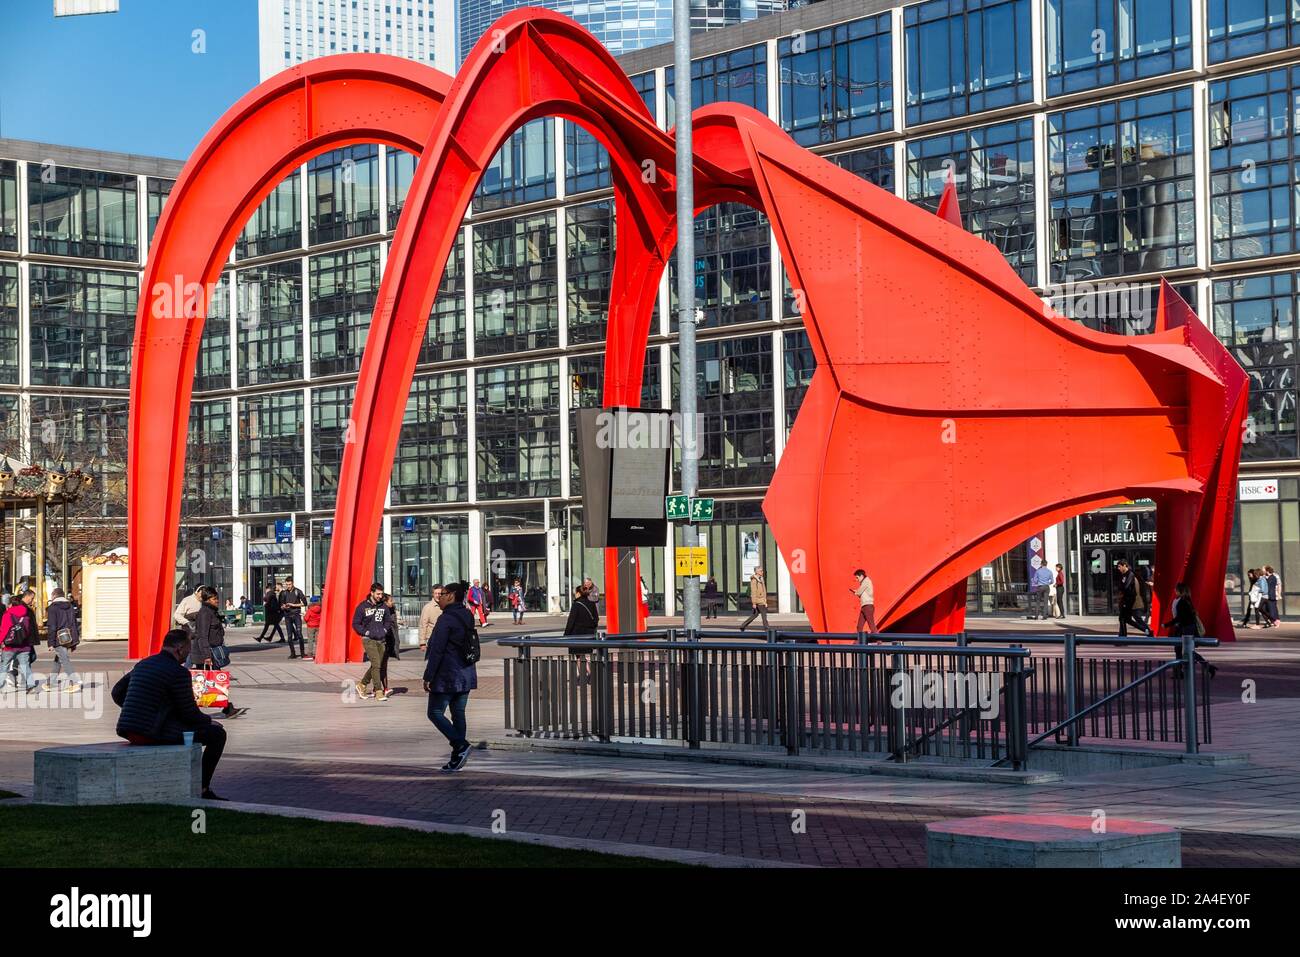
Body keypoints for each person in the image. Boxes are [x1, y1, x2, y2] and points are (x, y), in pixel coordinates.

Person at [113, 629, 228, 800]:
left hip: (128, 729)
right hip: (151, 733)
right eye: (188, 650)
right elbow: (189, 714)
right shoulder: (178, 672)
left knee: (186, 727)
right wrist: (209, 721)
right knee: (217, 735)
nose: (188, 655)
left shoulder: (144, 663)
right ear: (179, 649)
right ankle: (202, 788)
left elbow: (117, 692)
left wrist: (139, 709)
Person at [424, 580, 478, 772]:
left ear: (452, 595)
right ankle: (457, 757)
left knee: (435, 712)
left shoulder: (446, 619)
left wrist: (429, 676)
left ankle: (460, 745)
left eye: (444, 593)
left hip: (448, 675)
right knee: (458, 714)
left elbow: (437, 650)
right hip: (466, 672)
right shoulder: (466, 615)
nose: (439, 596)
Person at [352, 582, 394, 701]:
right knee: (376, 664)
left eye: (381, 594)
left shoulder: (383, 607)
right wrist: (366, 632)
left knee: (378, 665)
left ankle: (362, 684)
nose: (380, 596)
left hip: (381, 639)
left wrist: (385, 630)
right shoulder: (362, 607)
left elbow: (388, 621)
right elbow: (355, 623)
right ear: (372, 593)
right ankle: (379, 691)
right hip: (368, 639)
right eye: (378, 594)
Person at [44, 587, 83, 694]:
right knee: (59, 659)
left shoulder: (53, 608)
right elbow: (74, 623)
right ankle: (50, 683)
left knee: (64, 660)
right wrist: (75, 641)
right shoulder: (70, 606)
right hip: (69, 637)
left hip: (58, 638)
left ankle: (76, 682)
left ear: (54, 595)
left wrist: (50, 643)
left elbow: (52, 626)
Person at [0, 589, 38, 693]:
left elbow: (3, 630)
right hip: (24, 645)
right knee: (25, 666)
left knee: (4, 666)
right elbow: (29, 631)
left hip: (9, 646)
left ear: (11, 604)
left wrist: (0, 642)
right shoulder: (26, 614)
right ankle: (31, 686)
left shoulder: (7, 615)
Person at [1115, 559, 1153, 637]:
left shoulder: (1130, 574)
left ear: (1125, 566)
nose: (1118, 568)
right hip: (1128, 601)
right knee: (1124, 619)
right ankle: (1123, 637)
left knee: (1127, 618)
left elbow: (1126, 587)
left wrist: (1120, 590)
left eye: (1119, 566)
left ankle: (1147, 631)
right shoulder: (1125, 575)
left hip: (1132, 601)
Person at [279, 576, 308, 658]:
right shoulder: (284, 593)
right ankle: (293, 653)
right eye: (287, 584)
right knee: (289, 636)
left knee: (299, 634)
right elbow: (281, 605)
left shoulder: (298, 591)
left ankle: (302, 652)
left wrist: (293, 605)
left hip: (296, 614)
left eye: (289, 584)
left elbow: (305, 603)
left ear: (292, 583)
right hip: (287, 615)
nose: (288, 586)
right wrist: (284, 606)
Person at [380, 593, 400, 694]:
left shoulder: (391, 611)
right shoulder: (382, 612)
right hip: (382, 642)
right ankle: (367, 685)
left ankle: (384, 688)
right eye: (390, 600)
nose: (393, 602)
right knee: (378, 666)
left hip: (388, 642)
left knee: (383, 666)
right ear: (385, 602)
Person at [739, 567, 769, 632]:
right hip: (759, 601)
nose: (762, 572)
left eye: (762, 570)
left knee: (754, 615)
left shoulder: (761, 579)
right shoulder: (754, 580)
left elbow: (763, 591)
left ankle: (743, 626)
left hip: (762, 600)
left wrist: (765, 600)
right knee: (764, 615)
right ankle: (767, 629)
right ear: (756, 572)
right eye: (761, 571)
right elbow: (753, 592)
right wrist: (754, 603)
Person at [851, 569, 876, 639]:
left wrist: (855, 592)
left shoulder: (866, 581)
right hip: (864, 606)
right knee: (859, 626)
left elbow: (859, 592)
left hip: (867, 606)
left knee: (872, 626)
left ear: (861, 576)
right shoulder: (865, 582)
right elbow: (861, 592)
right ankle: (858, 644)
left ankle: (880, 643)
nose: (856, 579)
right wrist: (857, 592)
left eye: (857, 577)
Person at [419, 584, 444, 650]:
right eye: (436, 593)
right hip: (432, 640)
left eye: (440, 593)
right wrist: (422, 642)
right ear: (433, 594)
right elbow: (423, 625)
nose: (438, 595)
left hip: (444, 639)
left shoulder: (446, 606)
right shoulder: (427, 608)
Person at [303, 594, 322, 660]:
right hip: (318, 626)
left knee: (310, 640)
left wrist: (304, 616)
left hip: (310, 627)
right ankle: (318, 654)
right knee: (318, 641)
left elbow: (306, 618)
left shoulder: (310, 610)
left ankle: (310, 654)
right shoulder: (321, 609)